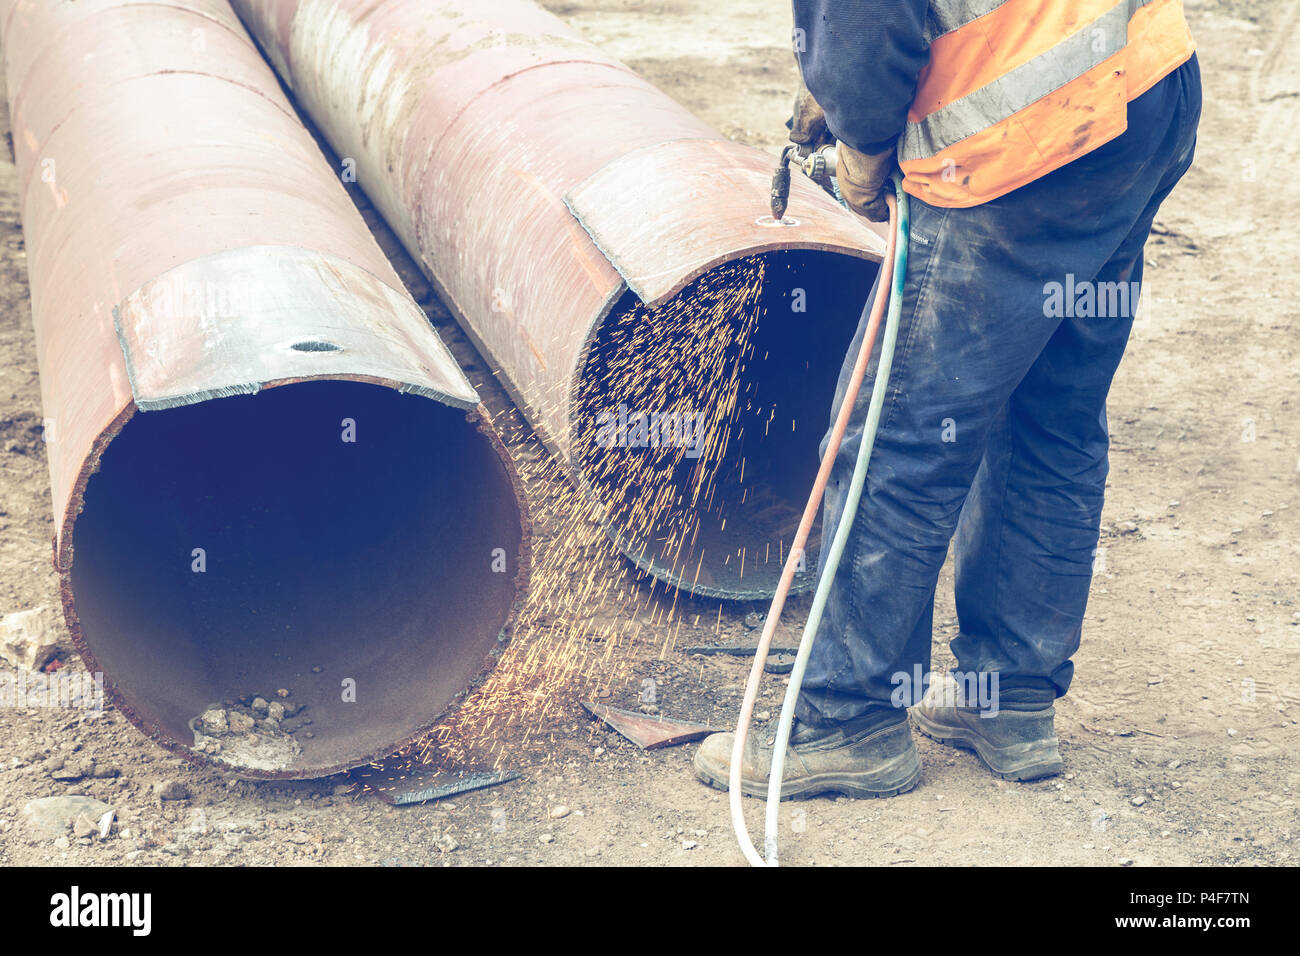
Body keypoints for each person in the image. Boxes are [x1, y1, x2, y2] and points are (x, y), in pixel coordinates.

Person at [695, 0, 1201, 798]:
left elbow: (863, 30)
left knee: (900, 431)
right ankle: (1008, 698)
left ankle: (845, 720)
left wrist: (860, 136)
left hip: (1018, 140)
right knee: (1050, 412)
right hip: (1141, 84)